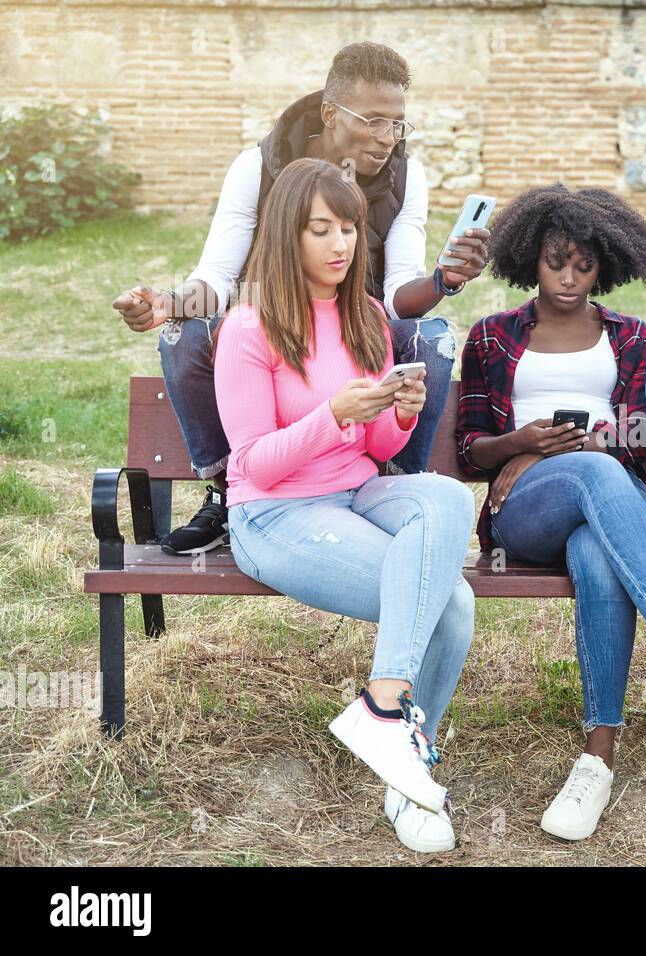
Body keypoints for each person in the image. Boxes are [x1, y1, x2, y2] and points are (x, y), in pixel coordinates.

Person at [456, 184, 646, 841]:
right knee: (596, 473)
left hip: (608, 512)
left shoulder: (631, 337)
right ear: (528, 260)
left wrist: (598, 441)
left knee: (599, 553)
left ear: (606, 265)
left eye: (584, 265)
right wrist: (524, 447)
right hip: (524, 518)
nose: (569, 278)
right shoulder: (491, 336)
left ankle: (597, 758)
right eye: (555, 263)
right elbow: (470, 447)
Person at [113, 42, 489, 556]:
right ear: (331, 113)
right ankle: (229, 492)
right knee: (185, 332)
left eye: (398, 124)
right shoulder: (259, 166)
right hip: (274, 321)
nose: (388, 139)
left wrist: (444, 281)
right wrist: (171, 302)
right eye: (375, 121)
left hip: (359, 326)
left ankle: (392, 481)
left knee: (433, 339)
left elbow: (400, 297)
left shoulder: (406, 178)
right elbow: (219, 278)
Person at [214, 158, 477, 853]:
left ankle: (385, 719)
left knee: (447, 495)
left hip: (358, 491)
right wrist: (333, 413)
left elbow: (378, 444)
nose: (340, 244)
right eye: (320, 229)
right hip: (276, 513)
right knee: (450, 602)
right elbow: (251, 466)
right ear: (285, 234)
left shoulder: (364, 313)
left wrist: (399, 411)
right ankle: (406, 764)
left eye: (351, 228)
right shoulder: (249, 327)